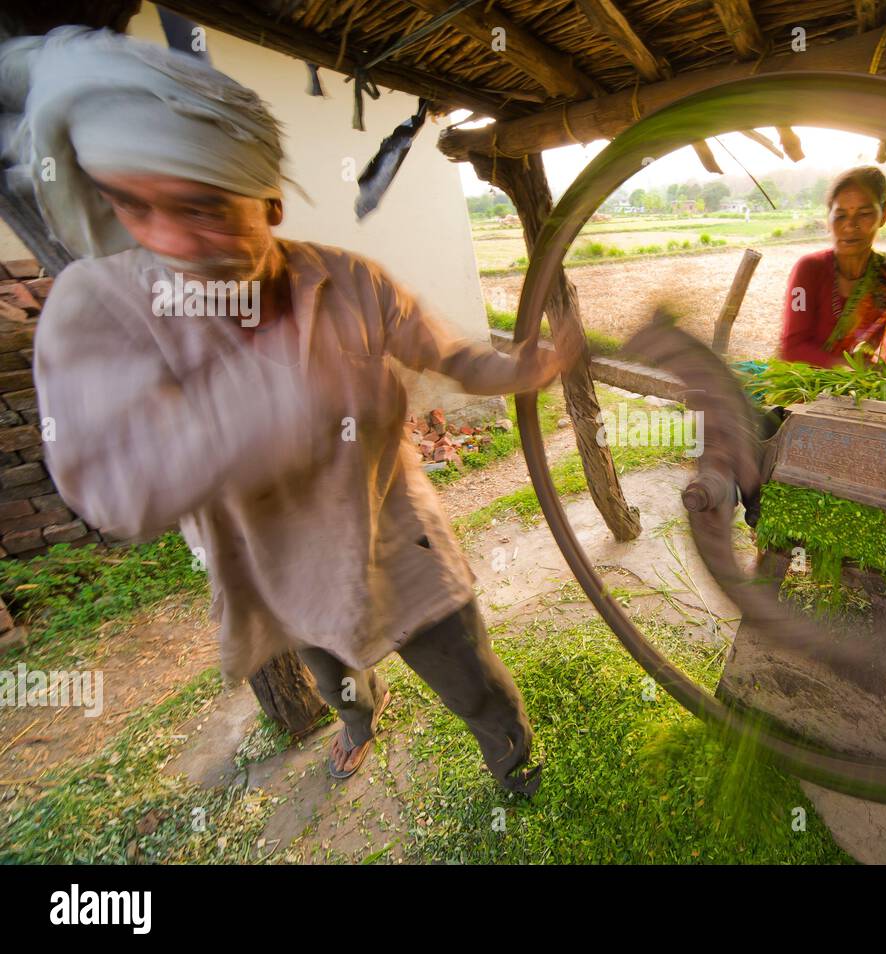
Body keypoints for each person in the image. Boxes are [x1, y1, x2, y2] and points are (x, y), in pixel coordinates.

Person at [3, 26, 575, 795]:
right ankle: (360, 724)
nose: (175, 240)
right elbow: (115, 492)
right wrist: (281, 402)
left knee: (470, 674)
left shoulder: (349, 281)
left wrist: (523, 366)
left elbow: (450, 355)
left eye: (205, 206)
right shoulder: (104, 310)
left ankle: (513, 759)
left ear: (268, 199)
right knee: (337, 677)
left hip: (397, 535)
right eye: (138, 208)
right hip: (279, 569)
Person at [778, 165, 886, 370]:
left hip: (861, 393)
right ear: (828, 218)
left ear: (884, 214)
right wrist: (855, 372)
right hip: (804, 390)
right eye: (840, 215)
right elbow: (793, 348)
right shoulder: (808, 271)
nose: (850, 225)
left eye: (864, 213)